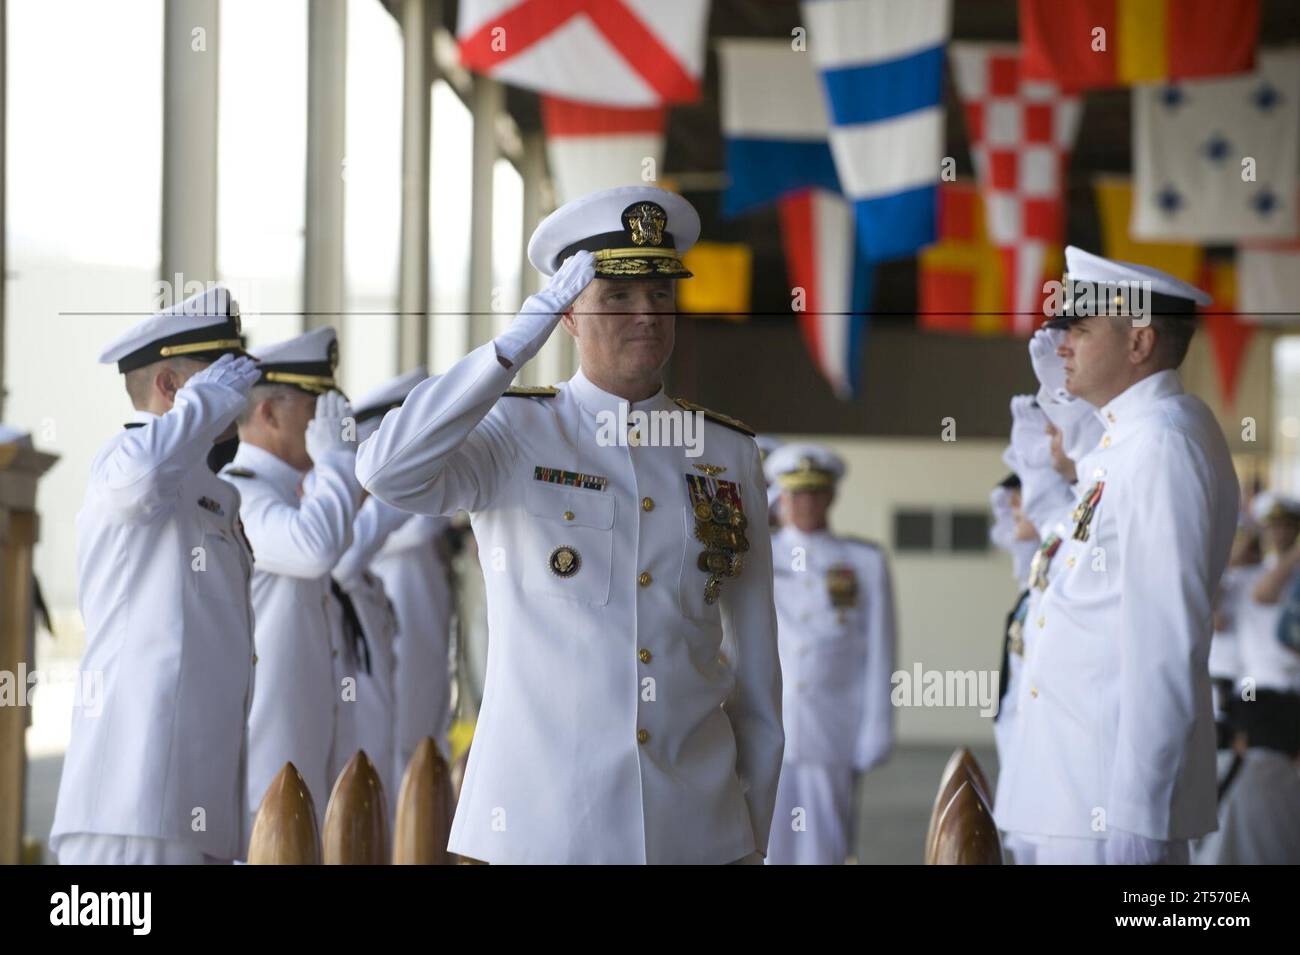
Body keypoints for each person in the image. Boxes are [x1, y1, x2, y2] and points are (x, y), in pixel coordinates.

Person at [355, 185, 784, 864]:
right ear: (568, 315)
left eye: (660, 294)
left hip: (694, 832)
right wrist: (506, 350)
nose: (646, 313)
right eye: (616, 296)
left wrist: (746, 833)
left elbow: (758, 673)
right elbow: (387, 471)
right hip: (540, 829)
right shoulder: (514, 431)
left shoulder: (726, 453)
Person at [995, 246, 1240, 865]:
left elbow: (1164, 639)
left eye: (1080, 328)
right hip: (1071, 793)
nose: (1063, 346)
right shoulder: (1125, 441)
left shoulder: (1161, 442)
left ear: (1139, 342)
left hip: (1106, 808)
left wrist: (1140, 813)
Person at [51, 287, 260, 864]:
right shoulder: (125, 458)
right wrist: (206, 404)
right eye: (225, 383)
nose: (238, 403)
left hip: (199, 808)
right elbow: (138, 483)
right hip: (131, 807)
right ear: (170, 388)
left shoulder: (213, 492)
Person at [221, 327, 365, 826]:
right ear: (268, 413)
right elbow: (317, 549)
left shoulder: (292, 492)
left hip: (302, 752)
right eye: (315, 408)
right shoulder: (239, 493)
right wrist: (339, 460)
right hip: (263, 768)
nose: (327, 424)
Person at [763, 444, 896, 865]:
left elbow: (881, 651)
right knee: (764, 843)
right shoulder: (757, 556)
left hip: (833, 727)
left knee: (828, 844)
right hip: (767, 724)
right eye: (797, 493)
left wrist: (877, 728)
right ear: (780, 497)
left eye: (815, 493)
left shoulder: (863, 561)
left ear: (832, 496)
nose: (806, 503)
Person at [352, 369, 457, 780]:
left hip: (426, 660)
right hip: (402, 657)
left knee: (424, 741)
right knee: (404, 750)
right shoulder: (387, 515)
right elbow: (426, 521)